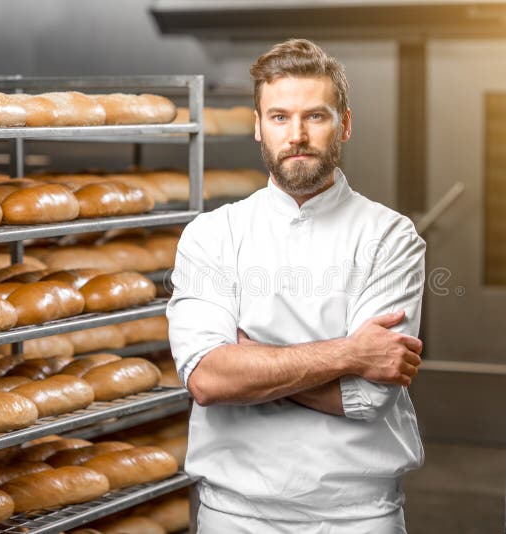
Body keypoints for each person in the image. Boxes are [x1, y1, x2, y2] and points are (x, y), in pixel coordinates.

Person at [167, 38, 425, 534]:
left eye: (316, 116)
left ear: (344, 124)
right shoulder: (212, 234)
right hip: (233, 514)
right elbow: (208, 380)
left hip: (359, 516)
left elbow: (365, 398)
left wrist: (249, 361)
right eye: (280, 117)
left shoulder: (390, 236)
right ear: (258, 127)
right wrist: (349, 354)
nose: (297, 135)